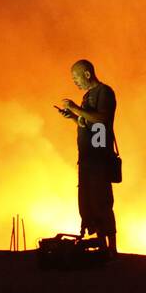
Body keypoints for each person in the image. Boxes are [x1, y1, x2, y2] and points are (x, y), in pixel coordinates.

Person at [57, 59, 118, 257]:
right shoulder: (87, 96)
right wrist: (74, 118)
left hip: (99, 158)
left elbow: (102, 120)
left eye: (76, 77)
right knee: (88, 204)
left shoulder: (105, 93)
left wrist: (75, 108)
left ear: (87, 74)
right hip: (87, 160)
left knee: (102, 202)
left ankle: (112, 248)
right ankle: (101, 245)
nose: (75, 82)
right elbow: (88, 123)